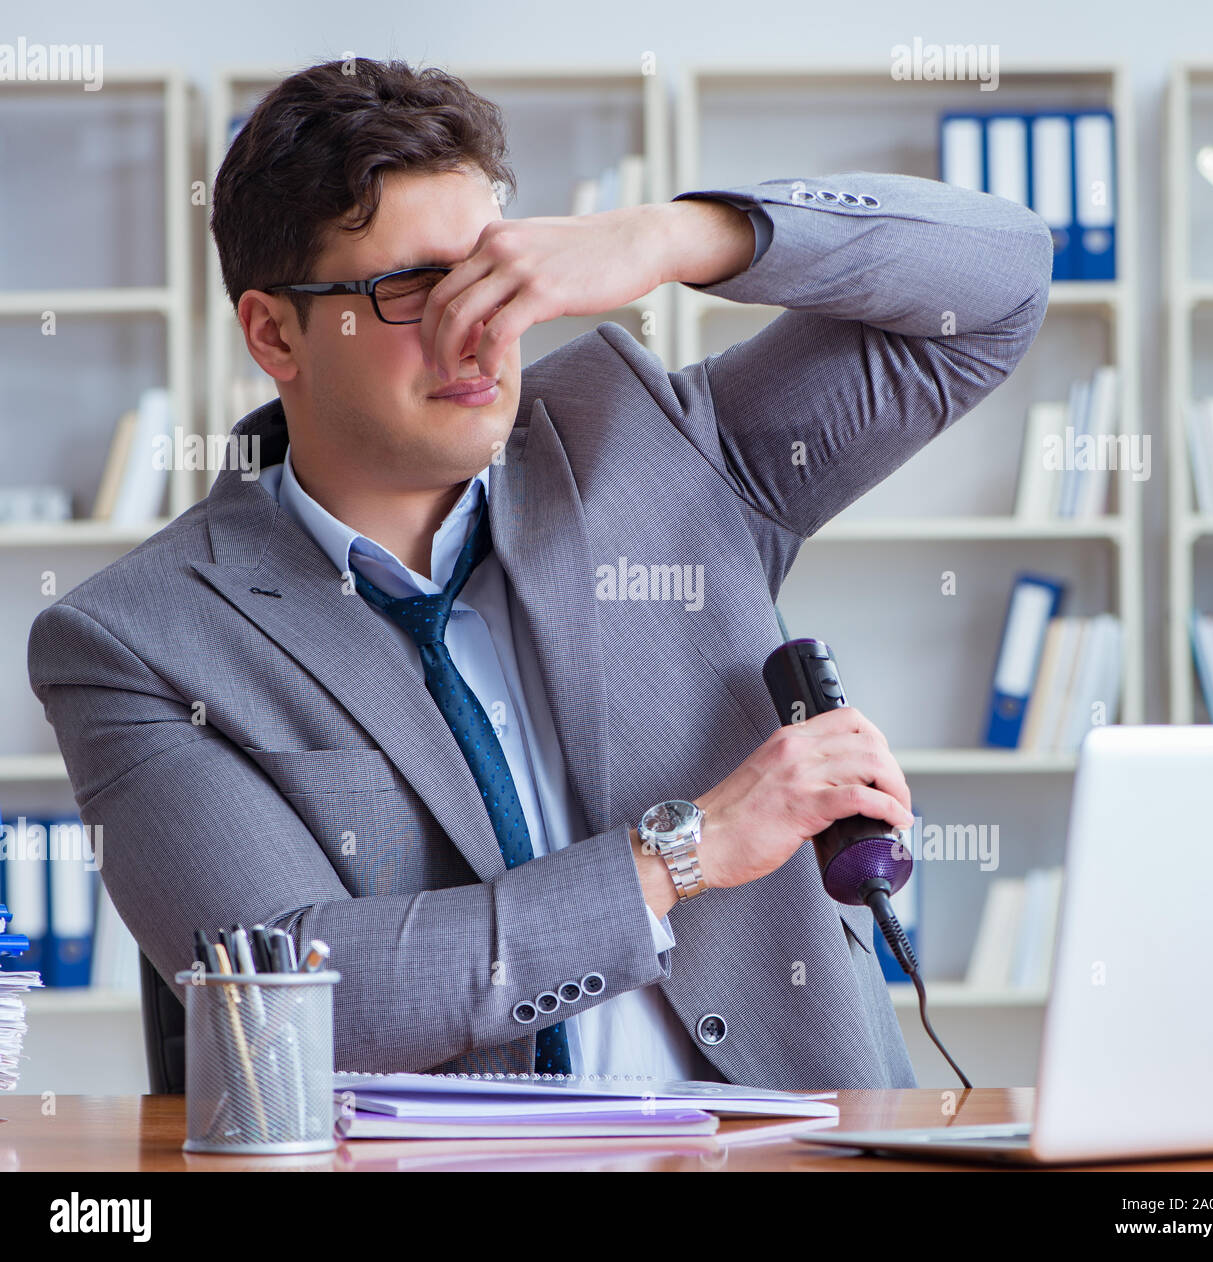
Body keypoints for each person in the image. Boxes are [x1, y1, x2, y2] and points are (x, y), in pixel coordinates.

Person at [28, 58, 1052, 1089]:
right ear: (273, 332)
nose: (480, 325)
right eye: (413, 286)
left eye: (495, 268)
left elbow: (999, 282)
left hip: (796, 1147)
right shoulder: (141, 639)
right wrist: (680, 854)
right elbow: (285, 1000)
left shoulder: (647, 439)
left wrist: (667, 238)